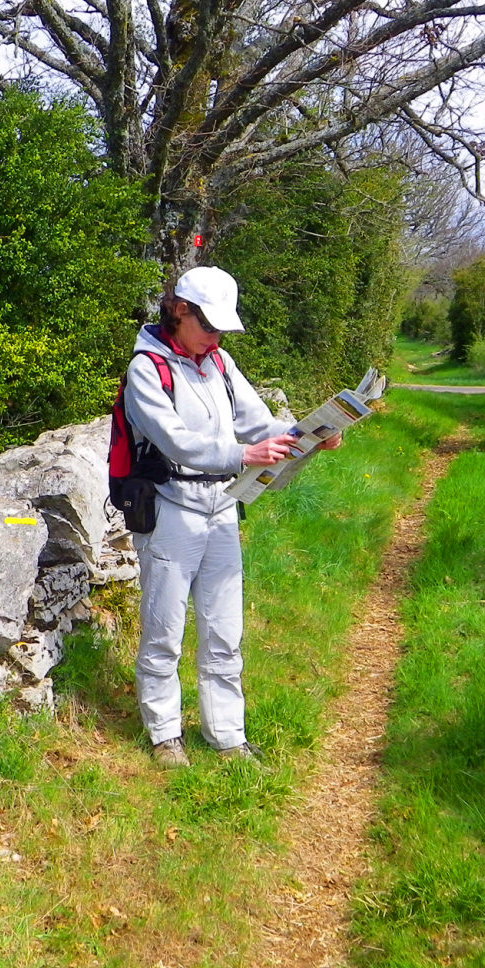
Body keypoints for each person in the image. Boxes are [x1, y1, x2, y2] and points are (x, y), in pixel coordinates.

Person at [122, 265, 342, 767]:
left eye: (222, 329)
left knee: (224, 628)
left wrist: (313, 433)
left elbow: (260, 421)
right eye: (209, 326)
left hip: (221, 507)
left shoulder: (218, 362)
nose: (216, 337)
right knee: (164, 626)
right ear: (180, 311)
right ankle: (164, 736)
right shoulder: (146, 369)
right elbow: (177, 441)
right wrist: (245, 455)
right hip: (170, 508)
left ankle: (227, 735)